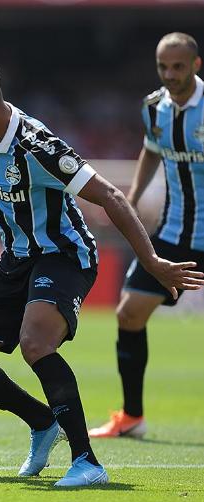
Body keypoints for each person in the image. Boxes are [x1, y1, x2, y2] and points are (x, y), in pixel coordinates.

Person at [0, 54, 203, 487]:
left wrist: (151, 260)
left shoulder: (37, 146)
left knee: (35, 342)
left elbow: (111, 195)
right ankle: (42, 423)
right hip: (16, 260)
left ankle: (87, 462)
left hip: (65, 255)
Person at [89, 33, 204, 439]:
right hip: (174, 232)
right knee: (129, 314)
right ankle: (132, 417)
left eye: (177, 66)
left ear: (196, 65)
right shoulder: (154, 108)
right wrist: (132, 199)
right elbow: (152, 150)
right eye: (162, 67)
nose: (170, 74)